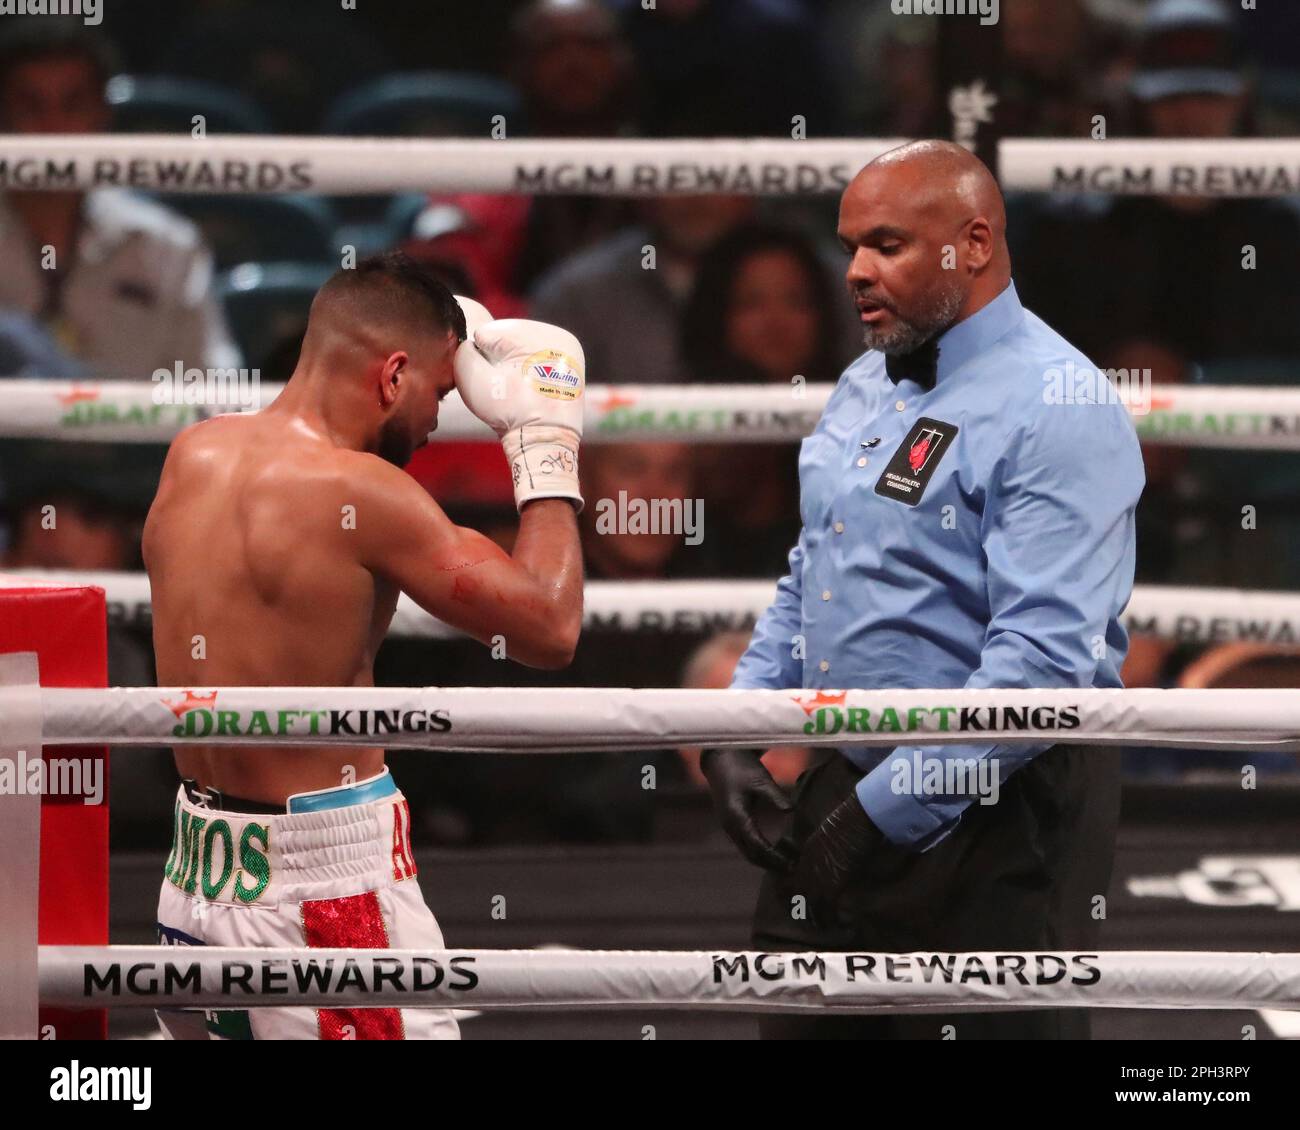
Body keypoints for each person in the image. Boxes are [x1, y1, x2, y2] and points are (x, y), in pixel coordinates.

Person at [701, 141, 1144, 1040]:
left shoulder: (1058, 404)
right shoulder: (868, 380)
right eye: (851, 245)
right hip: (851, 774)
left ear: (973, 243)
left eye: (888, 244)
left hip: (1009, 807)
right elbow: (813, 570)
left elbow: (1040, 670)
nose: (857, 271)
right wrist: (741, 729)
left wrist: (880, 815)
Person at [142, 253, 586, 1039]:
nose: (438, 420)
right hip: (325, 881)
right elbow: (550, 627)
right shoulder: (366, 492)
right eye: (441, 394)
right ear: (392, 375)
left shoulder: (193, 456)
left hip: (193, 877)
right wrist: (543, 441)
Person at [0, 21, 239, 378]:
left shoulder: (168, 246)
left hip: (145, 433)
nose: (53, 125)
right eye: (31, 105)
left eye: (73, 104)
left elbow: (214, 390)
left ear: (102, 111)